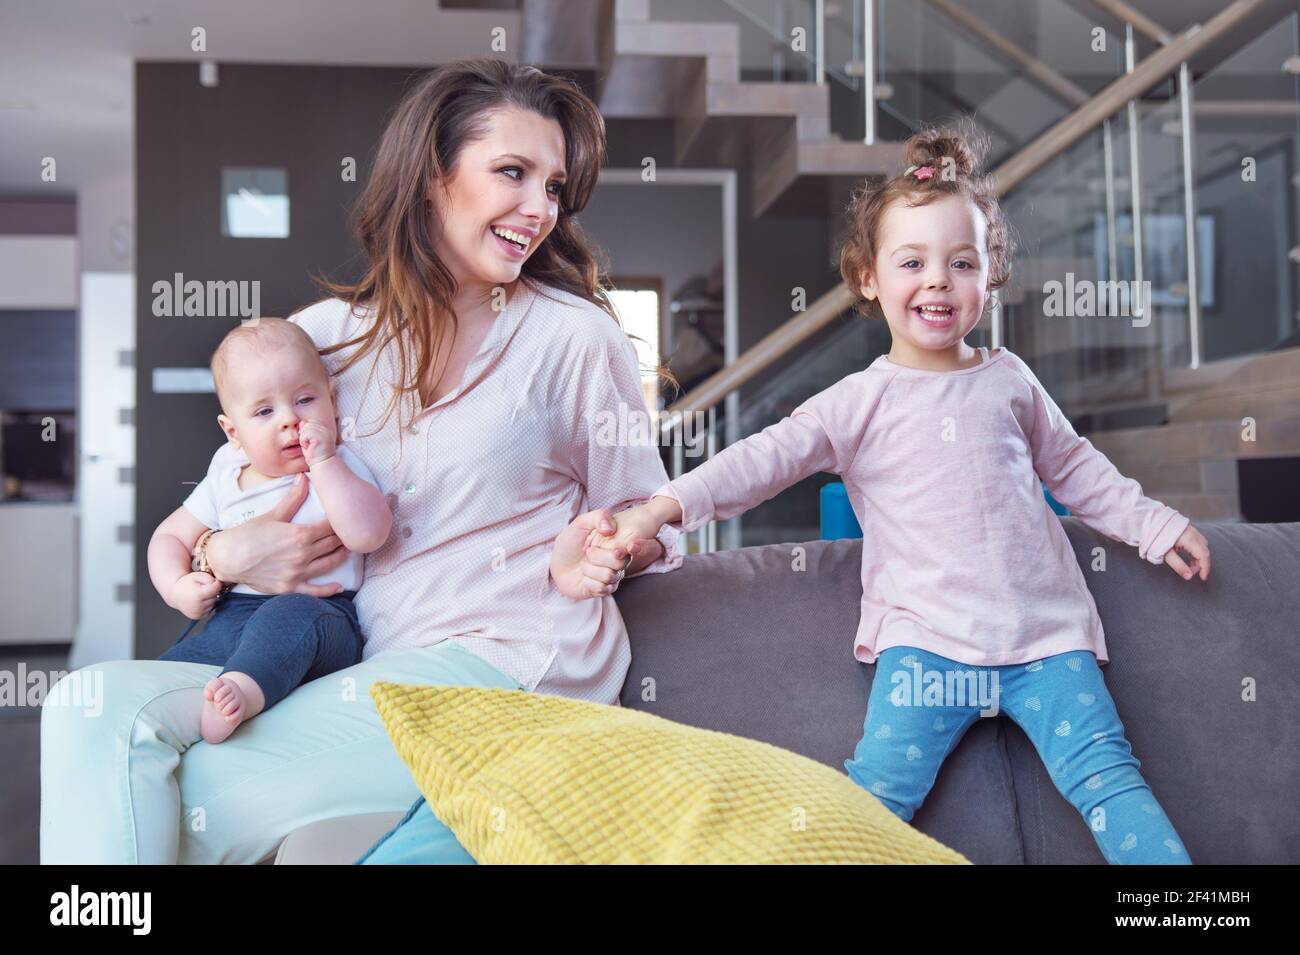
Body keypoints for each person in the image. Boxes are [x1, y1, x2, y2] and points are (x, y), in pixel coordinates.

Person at [41, 58, 679, 864]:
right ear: (429, 180)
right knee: (87, 705)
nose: (539, 209)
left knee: (196, 791)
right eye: (512, 173)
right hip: (362, 658)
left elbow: (648, 515)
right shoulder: (327, 336)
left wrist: (604, 549)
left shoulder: (571, 338)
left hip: (509, 662)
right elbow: (232, 490)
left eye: (553, 187)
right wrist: (221, 551)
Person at [594, 125, 1212, 865]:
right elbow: (761, 460)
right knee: (876, 797)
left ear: (989, 277)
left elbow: (1078, 469)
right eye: (911, 261)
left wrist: (1154, 524)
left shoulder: (1011, 380)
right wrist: (664, 506)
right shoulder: (856, 402)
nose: (938, 281)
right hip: (926, 651)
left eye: (962, 262)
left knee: (1108, 778)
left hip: (1046, 639)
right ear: (868, 277)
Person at [150, 318, 390, 744]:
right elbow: (169, 538)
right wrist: (177, 588)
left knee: (288, 618)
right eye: (265, 411)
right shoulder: (226, 476)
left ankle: (245, 689)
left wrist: (326, 464)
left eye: (305, 400)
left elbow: (369, 534)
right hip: (232, 616)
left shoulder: (338, 466)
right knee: (172, 669)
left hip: (323, 616)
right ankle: (179, 699)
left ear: (332, 402)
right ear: (233, 432)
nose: (290, 420)